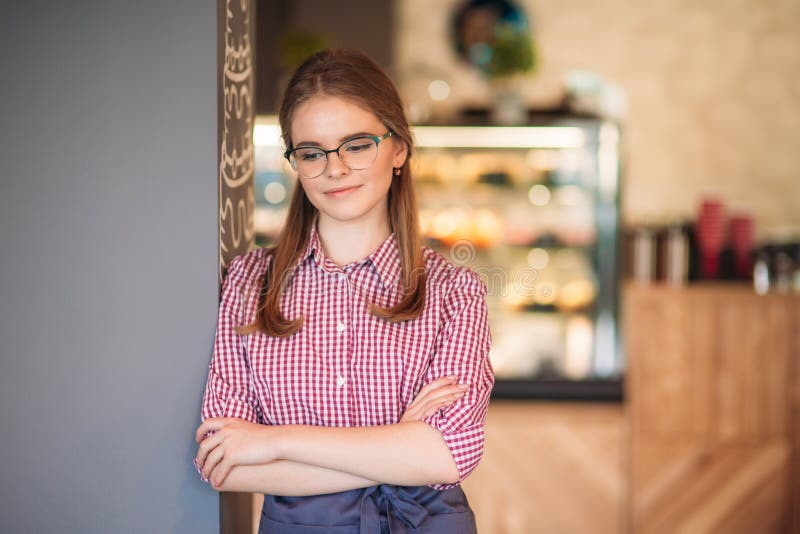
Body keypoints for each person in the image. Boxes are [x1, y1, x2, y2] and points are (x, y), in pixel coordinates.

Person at [193, 48, 494, 533]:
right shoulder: (248, 283)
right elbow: (225, 464)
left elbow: (447, 453)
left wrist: (275, 441)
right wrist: (398, 443)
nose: (334, 169)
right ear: (295, 163)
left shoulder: (454, 290)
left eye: (356, 145)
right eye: (311, 152)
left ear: (398, 149)